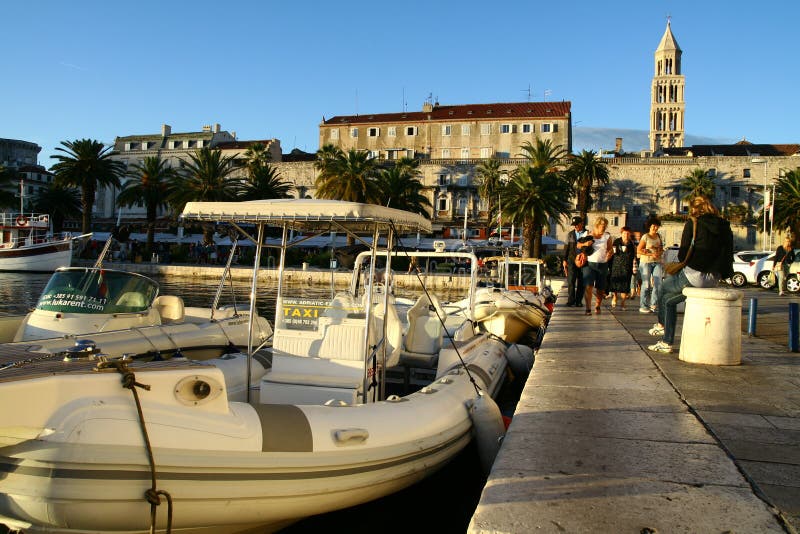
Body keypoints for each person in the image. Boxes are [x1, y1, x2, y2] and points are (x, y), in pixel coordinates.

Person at [647, 195, 734, 353]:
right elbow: (728, 253)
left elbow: (682, 255)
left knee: (662, 287)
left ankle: (661, 326)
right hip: (714, 278)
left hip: (694, 275)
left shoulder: (693, 223)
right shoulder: (724, 225)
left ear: (694, 208)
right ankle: (665, 340)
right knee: (668, 301)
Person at [581, 217, 614, 315]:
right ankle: (588, 308)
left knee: (600, 288)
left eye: (605, 227)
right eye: (602, 227)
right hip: (589, 264)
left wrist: (610, 253)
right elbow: (578, 245)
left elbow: (610, 249)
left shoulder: (607, 236)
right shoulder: (587, 234)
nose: (603, 229)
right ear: (596, 225)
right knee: (588, 286)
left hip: (603, 264)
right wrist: (586, 243)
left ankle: (598, 306)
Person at [637, 216, 664, 314]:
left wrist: (659, 252)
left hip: (657, 262)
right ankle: (643, 305)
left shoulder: (659, 236)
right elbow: (639, 250)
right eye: (653, 226)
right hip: (646, 262)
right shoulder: (645, 237)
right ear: (649, 226)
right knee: (646, 284)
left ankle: (654, 304)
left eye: (657, 226)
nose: (655, 228)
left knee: (658, 284)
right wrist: (650, 253)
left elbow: (661, 248)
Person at [608, 226, 637, 310]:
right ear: (621, 233)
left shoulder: (631, 244)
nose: (626, 235)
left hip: (627, 266)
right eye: (624, 233)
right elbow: (613, 251)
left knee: (625, 285)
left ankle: (623, 303)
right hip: (616, 265)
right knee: (615, 283)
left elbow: (633, 255)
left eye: (628, 233)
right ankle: (615, 297)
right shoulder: (617, 241)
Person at [562, 216, 588, 307]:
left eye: (577, 224)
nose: (575, 226)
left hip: (583, 261)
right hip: (571, 260)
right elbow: (566, 248)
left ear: (581, 223)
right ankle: (571, 300)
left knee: (581, 282)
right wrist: (564, 260)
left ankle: (578, 301)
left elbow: (590, 248)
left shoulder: (587, 234)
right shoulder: (570, 234)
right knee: (571, 281)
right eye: (574, 225)